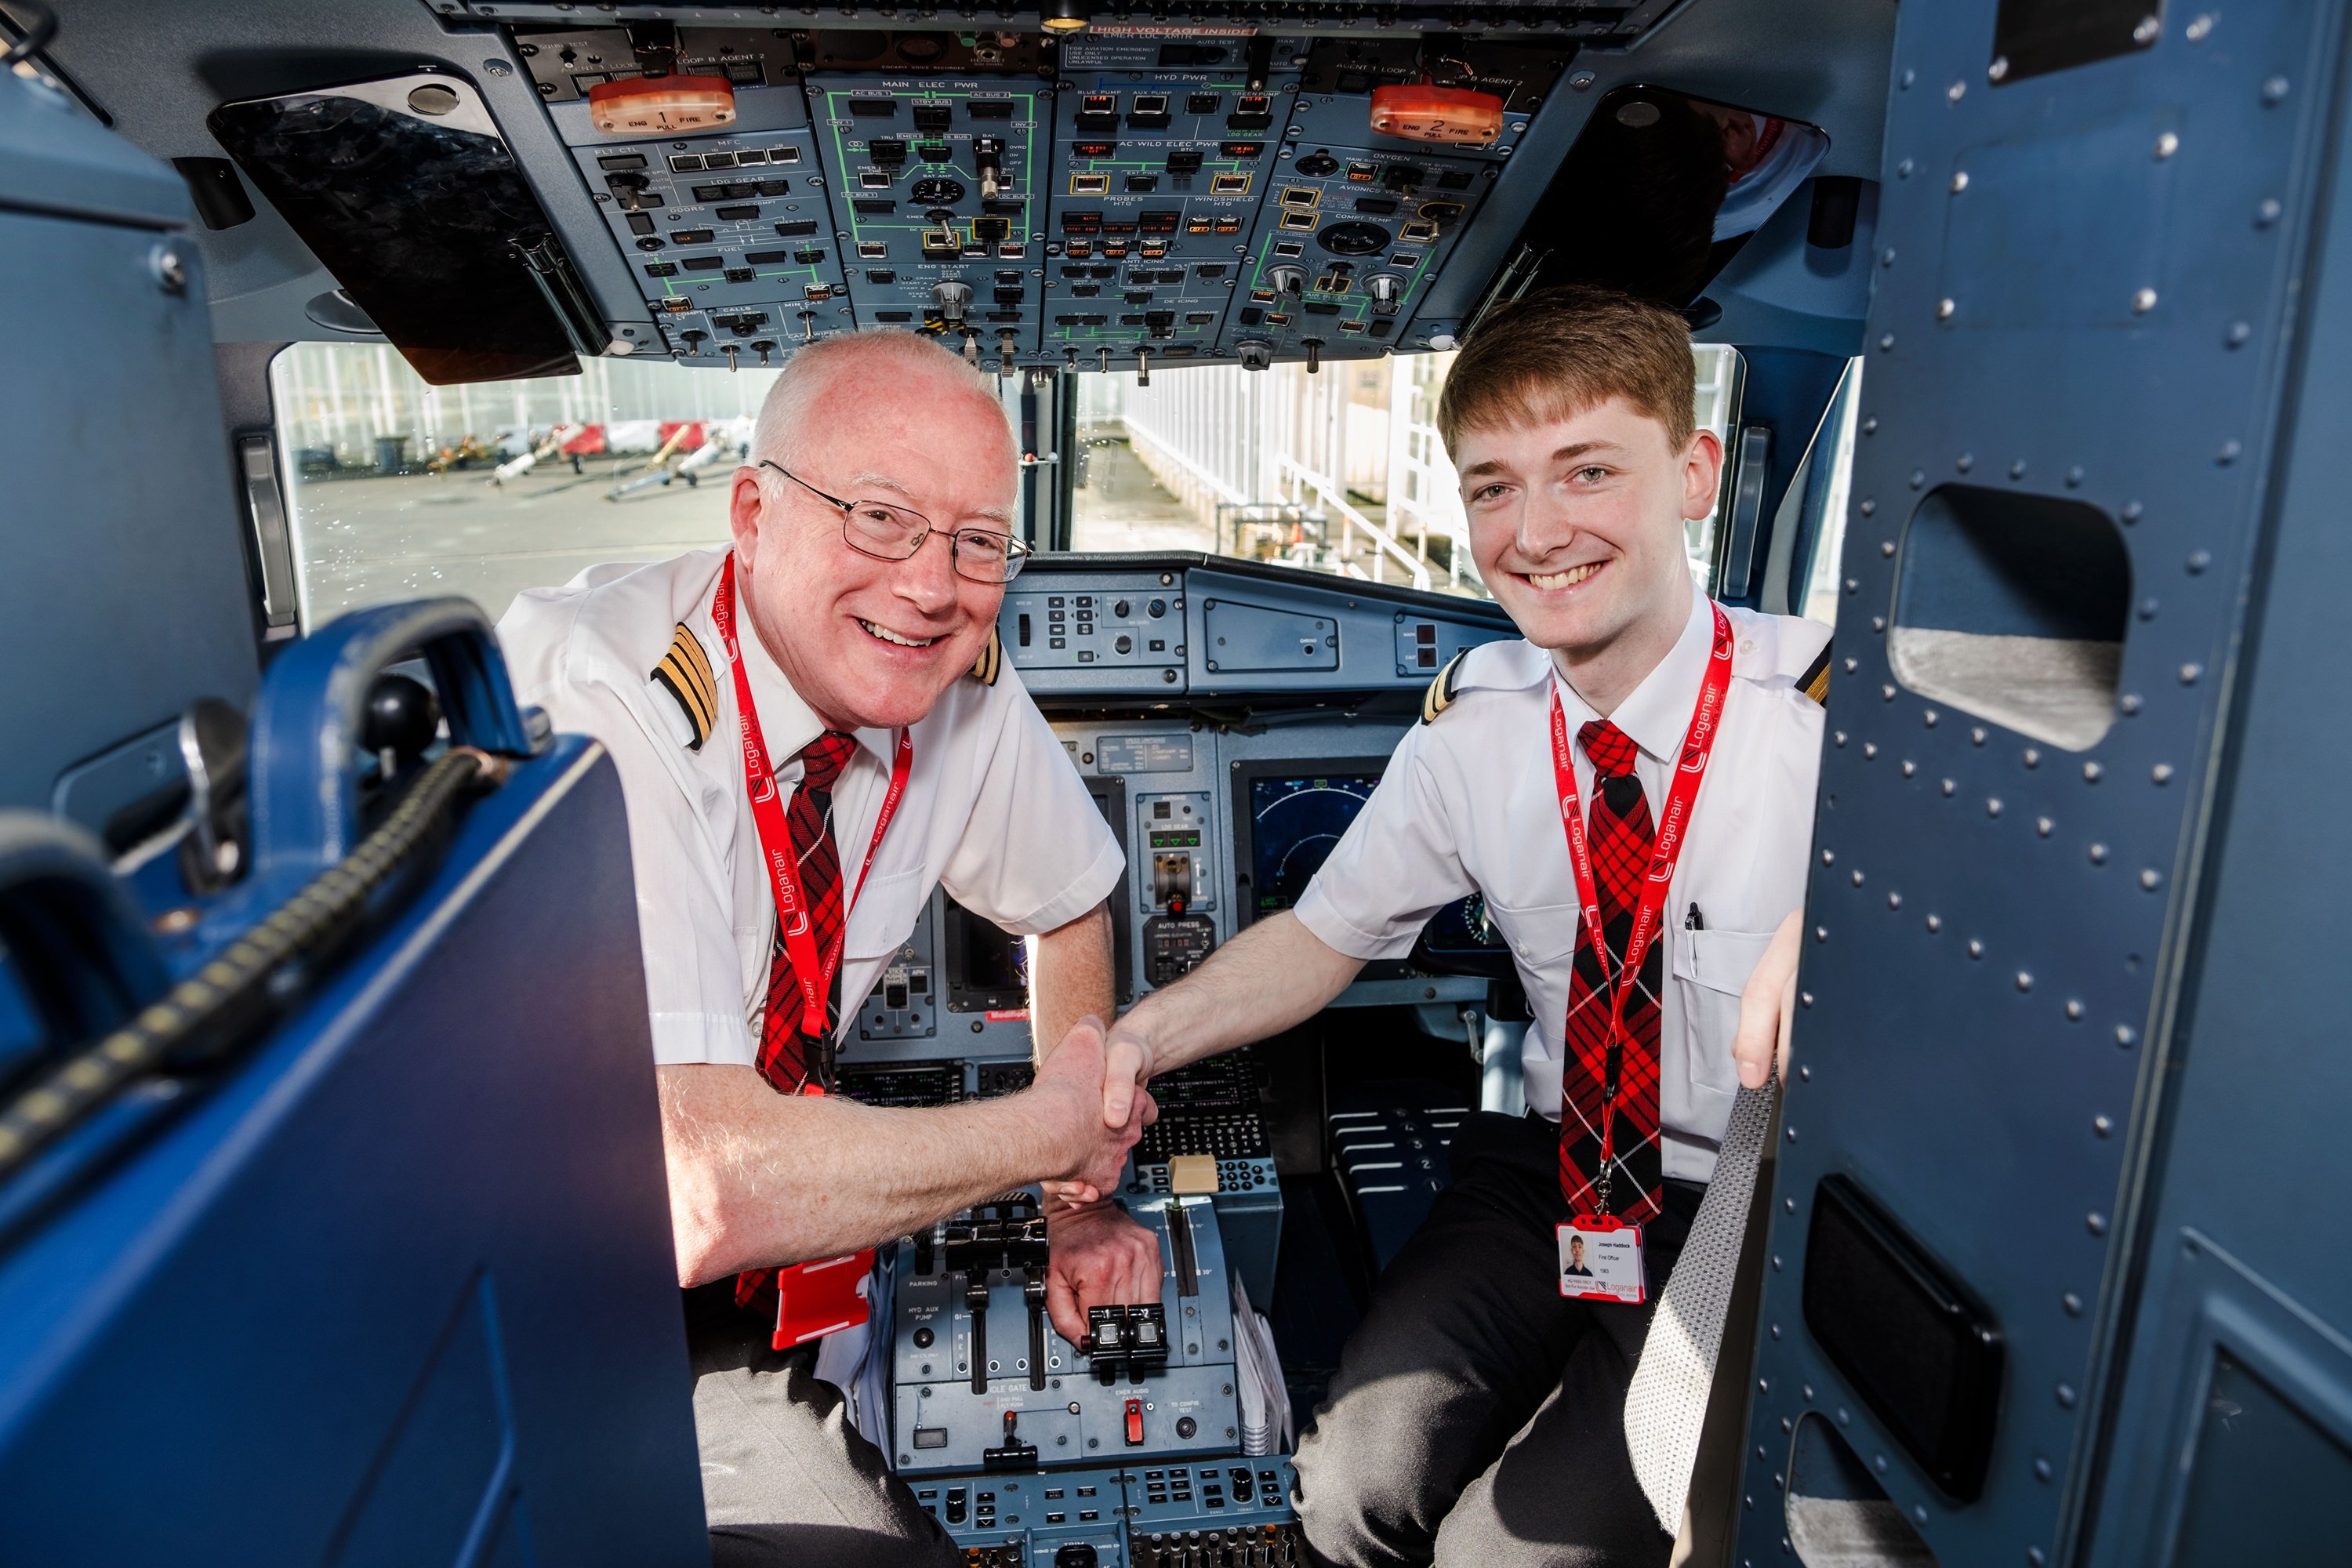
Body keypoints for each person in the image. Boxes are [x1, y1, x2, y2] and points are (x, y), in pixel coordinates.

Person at [1064, 283, 1824, 1566]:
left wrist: (1839, 928)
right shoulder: (1477, 723)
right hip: (1546, 1166)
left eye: (1588, 471)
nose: (1536, 533)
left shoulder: (1834, 719)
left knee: (1499, 1557)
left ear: (1696, 474)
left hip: (1745, 1200)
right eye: (1492, 487)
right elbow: (1321, 939)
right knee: (1353, 1489)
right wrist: (1135, 1041)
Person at [498, 329, 1164, 1567]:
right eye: (880, 518)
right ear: (753, 513)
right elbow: (704, 1190)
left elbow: (1070, 900)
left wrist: (1083, 1205)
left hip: (742, 1253)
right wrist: (1056, 1129)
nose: (932, 585)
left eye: (978, 540)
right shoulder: (605, 693)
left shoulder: (952, 676)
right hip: (541, 1262)